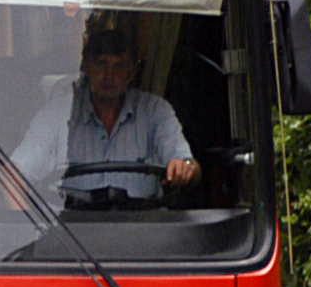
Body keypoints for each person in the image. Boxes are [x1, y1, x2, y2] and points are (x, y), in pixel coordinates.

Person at [10, 22, 197, 207]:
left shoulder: (155, 111)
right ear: (86, 68)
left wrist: (183, 168)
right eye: (101, 64)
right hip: (71, 232)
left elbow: (187, 164)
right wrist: (29, 231)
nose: (109, 75)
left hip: (142, 229)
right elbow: (11, 176)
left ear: (131, 72)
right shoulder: (57, 114)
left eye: (119, 66)